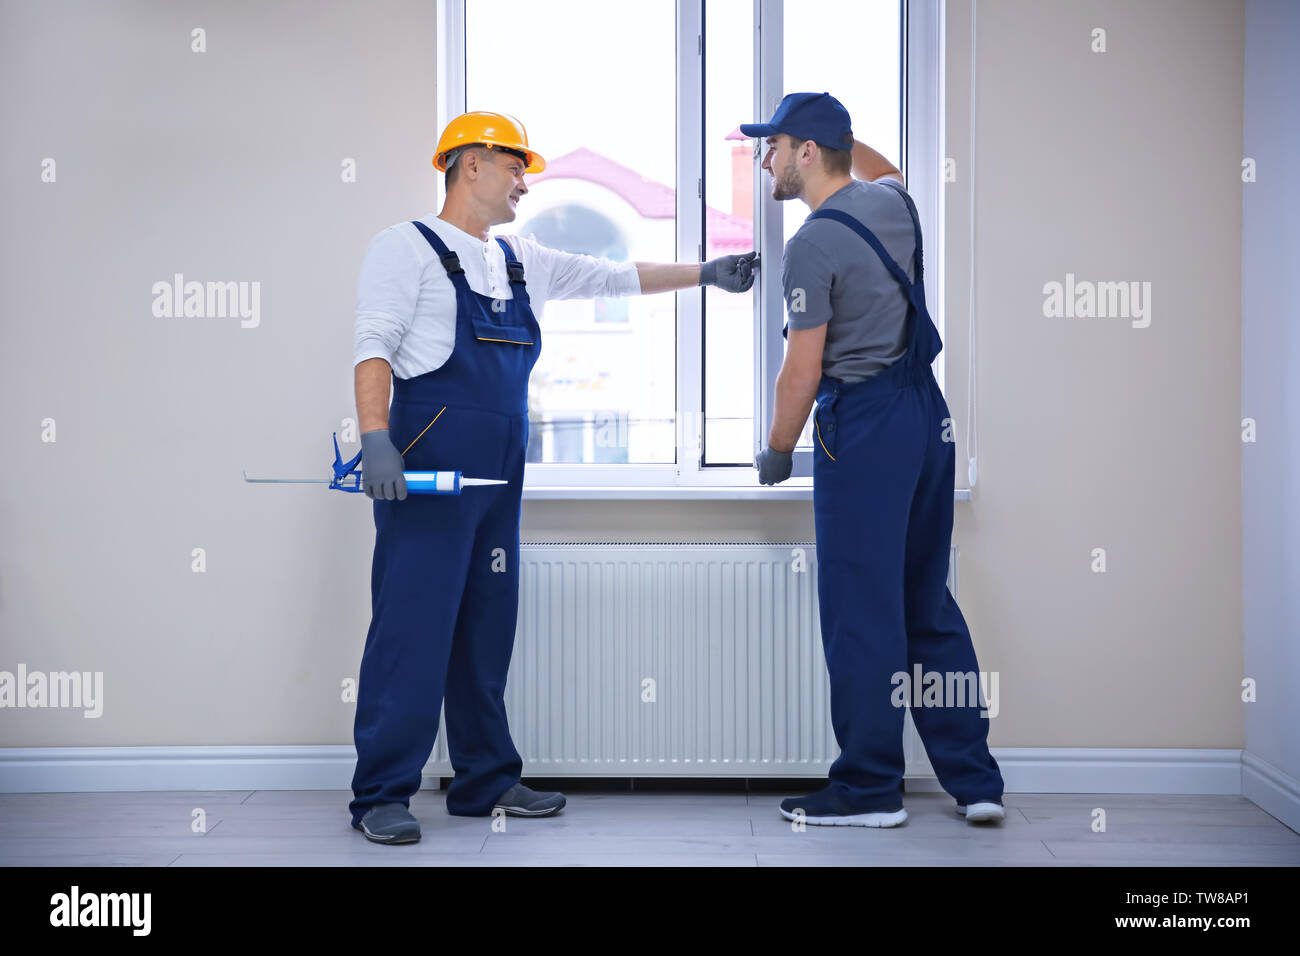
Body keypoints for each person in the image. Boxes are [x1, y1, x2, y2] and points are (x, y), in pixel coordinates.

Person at [348, 110, 757, 844]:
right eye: (514, 167)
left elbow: (614, 276)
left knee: (485, 628)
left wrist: (706, 274)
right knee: (412, 630)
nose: (523, 184)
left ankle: (484, 780)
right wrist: (376, 440)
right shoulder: (401, 248)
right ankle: (381, 793)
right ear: (469, 163)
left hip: (500, 473)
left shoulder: (517, 259)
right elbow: (373, 345)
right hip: (426, 472)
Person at [745, 92, 1004, 827]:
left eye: (776, 145)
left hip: (863, 425)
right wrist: (840, 141)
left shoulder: (812, 245)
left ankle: (867, 791)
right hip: (927, 418)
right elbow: (883, 169)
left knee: (863, 612)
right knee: (927, 601)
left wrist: (775, 450)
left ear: (805, 152)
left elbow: (802, 369)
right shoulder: (895, 205)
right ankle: (976, 783)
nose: (767, 159)